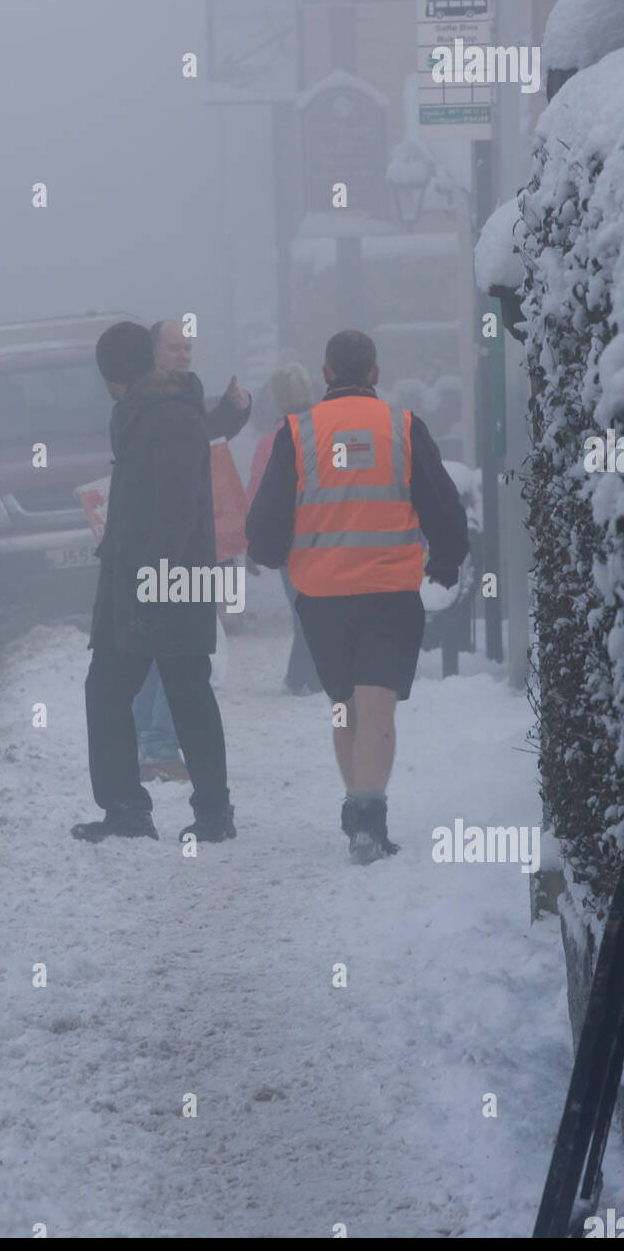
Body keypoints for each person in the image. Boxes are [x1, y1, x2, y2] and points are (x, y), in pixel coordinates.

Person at [246, 330, 468, 863]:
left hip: (322, 596)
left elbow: (268, 518)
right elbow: (442, 505)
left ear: (325, 374)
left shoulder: (297, 433)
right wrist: (444, 562)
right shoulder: (404, 427)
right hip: (390, 592)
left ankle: (356, 810)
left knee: (344, 708)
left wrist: (270, 553)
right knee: (377, 711)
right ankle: (369, 819)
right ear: (375, 373)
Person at [72, 321, 236, 844]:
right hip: (146, 580)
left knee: (174, 693)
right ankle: (162, 810)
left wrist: (149, 584)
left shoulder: (164, 417)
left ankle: (193, 812)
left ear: (111, 374)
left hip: (164, 582)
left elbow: (175, 513)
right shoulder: (150, 411)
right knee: (138, 690)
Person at [132, 320, 251, 782]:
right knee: (182, 650)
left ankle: (144, 741)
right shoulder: (155, 401)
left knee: (153, 649)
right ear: (153, 352)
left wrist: (230, 413)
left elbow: (197, 436)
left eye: (187, 347)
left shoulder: (173, 396)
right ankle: (158, 745)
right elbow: (179, 462)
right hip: (174, 548)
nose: (183, 354)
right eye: (173, 348)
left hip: (165, 545)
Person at [246, 362, 322, 696]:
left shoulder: (270, 443)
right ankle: (302, 676)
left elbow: (256, 496)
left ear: (277, 399)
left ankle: (303, 677)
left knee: (301, 608)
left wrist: (252, 542)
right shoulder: (330, 433)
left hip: (289, 541)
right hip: (327, 533)